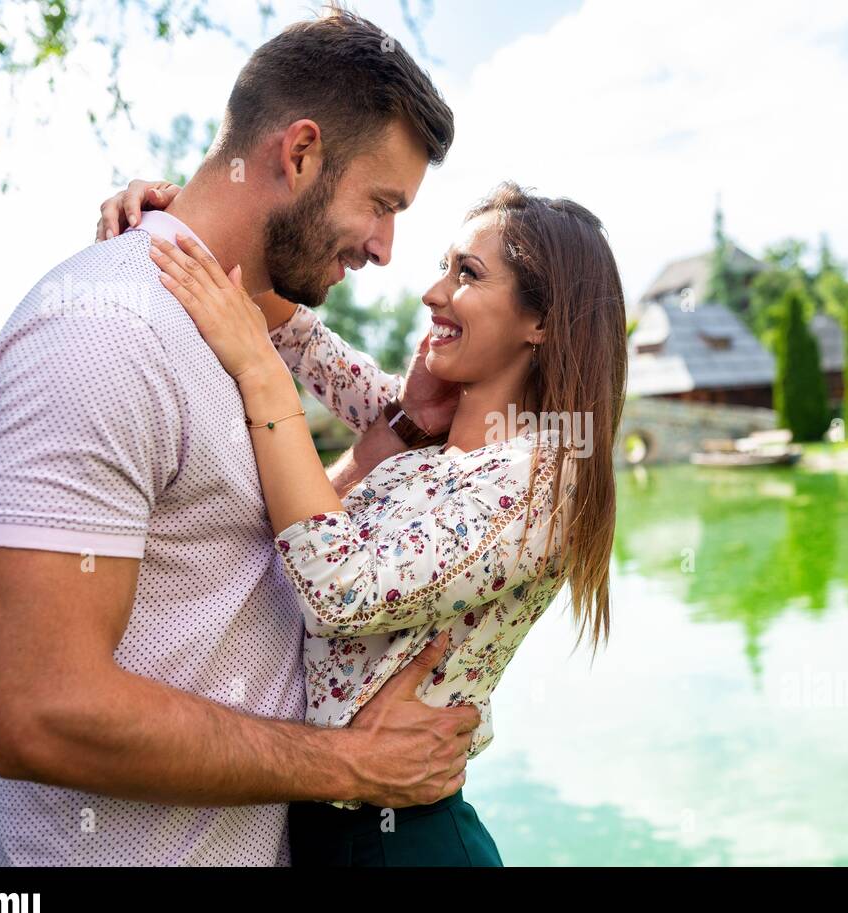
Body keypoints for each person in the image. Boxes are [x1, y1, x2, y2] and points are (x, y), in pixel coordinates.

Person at [0, 9, 474, 866]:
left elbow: (234, 558)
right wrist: (355, 765)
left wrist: (386, 445)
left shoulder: (236, 329)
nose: (387, 249)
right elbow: (37, 710)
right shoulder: (103, 338)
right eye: (381, 204)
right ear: (300, 152)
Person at [96, 175, 628, 865]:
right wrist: (181, 224)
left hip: (407, 844)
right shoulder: (426, 425)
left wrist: (259, 374)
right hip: (313, 827)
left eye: (467, 274)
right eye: (443, 267)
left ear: (543, 320)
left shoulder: (540, 482)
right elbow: (303, 338)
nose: (434, 293)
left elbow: (343, 589)